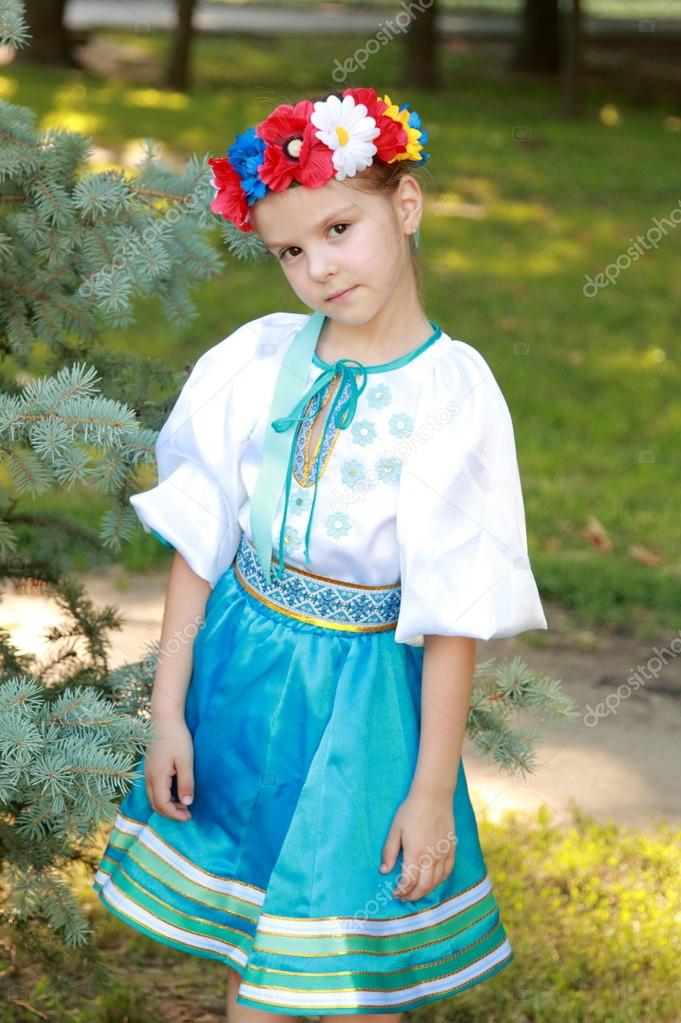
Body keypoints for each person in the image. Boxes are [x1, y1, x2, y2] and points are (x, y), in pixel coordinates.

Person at [92, 87, 548, 1023]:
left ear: (406, 207)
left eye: (340, 228)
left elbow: (452, 612)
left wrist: (428, 792)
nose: (319, 268)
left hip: (362, 710)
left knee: (337, 969)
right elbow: (200, 543)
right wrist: (167, 710)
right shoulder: (257, 361)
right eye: (291, 251)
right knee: (253, 938)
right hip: (241, 677)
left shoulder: (451, 398)